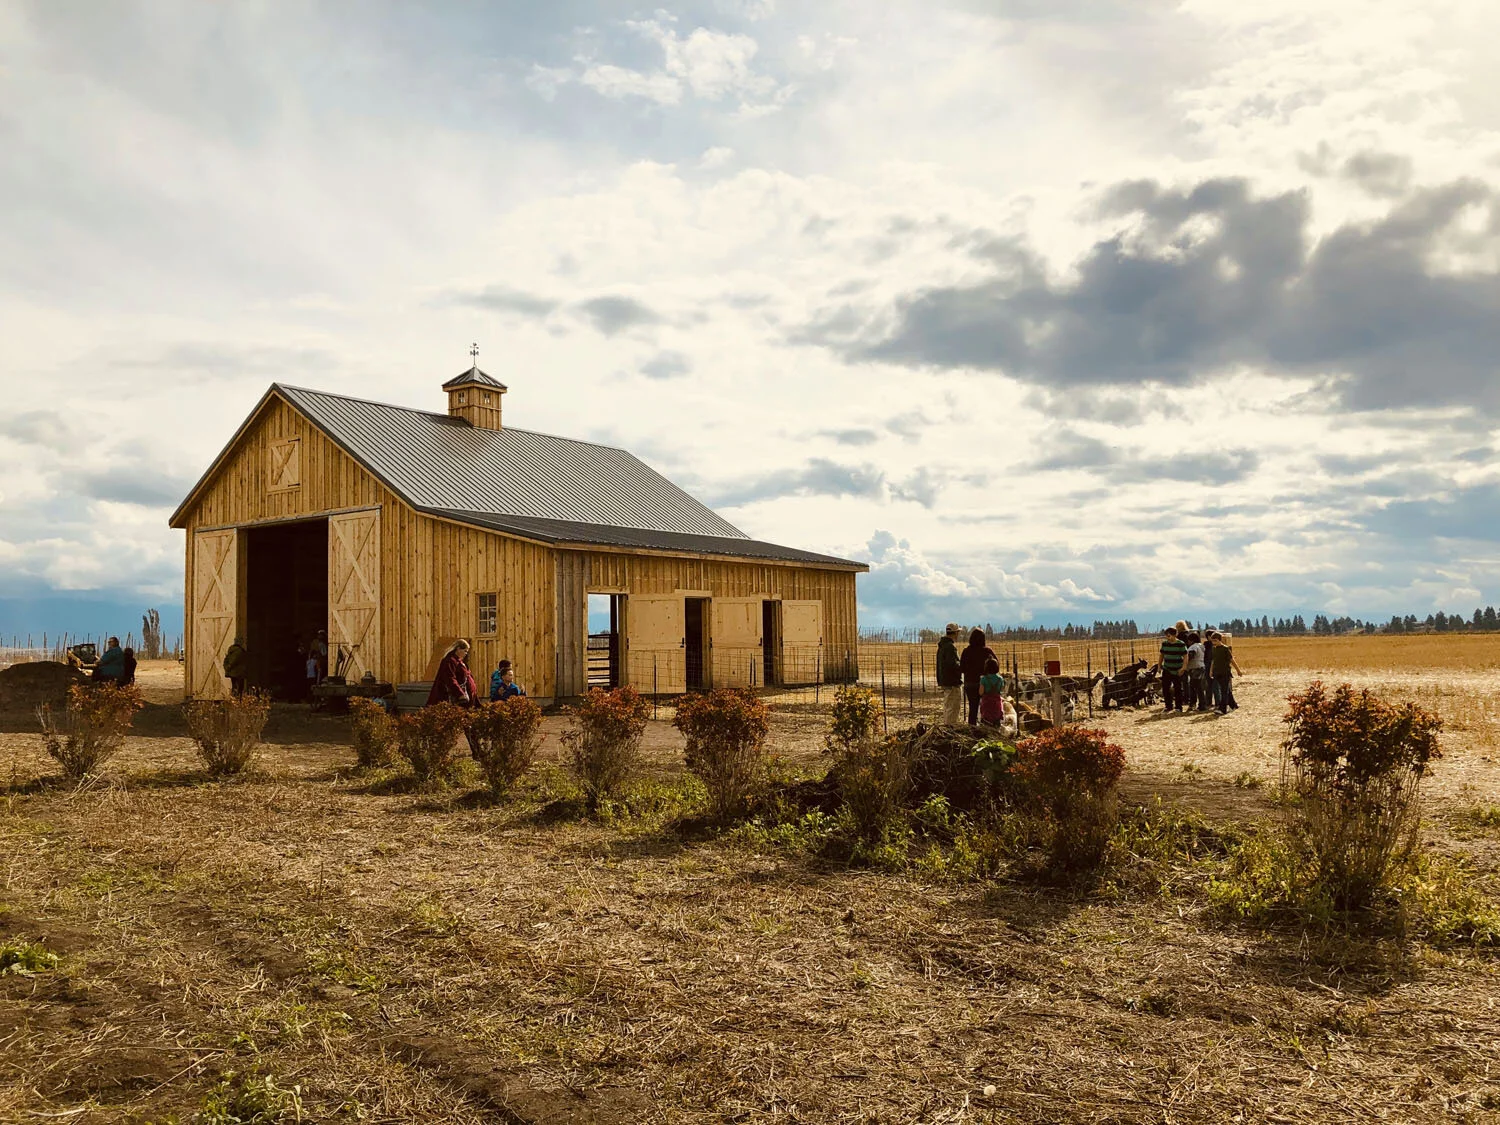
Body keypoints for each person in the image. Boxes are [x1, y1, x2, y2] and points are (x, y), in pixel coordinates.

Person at [958, 628, 998, 726]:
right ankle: (986, 727)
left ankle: (972, 728)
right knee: (986, 707)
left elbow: (961, 668)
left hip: (969, 684)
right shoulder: (987, 651)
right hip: (985, 683)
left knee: (973, 708)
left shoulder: (966, 651)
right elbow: (996, 665)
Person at [428, 639, 480, 708]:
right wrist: (459, 693)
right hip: (454, 699)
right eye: (465, 651)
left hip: (466, 697)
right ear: (458, 649)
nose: (466, 654)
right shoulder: (449, 661)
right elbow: (450, 678)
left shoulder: (460, 662)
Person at [936, 623, 963, 725]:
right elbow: (953, 665)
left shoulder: (941, 646)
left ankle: (947, 727)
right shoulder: (950, 647)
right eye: (958, 632)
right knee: (953, 709)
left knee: (947, 707)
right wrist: (962, 666)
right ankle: (950, 729)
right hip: (952, 683)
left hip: (945, 682)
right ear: (955, 633)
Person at [1209, 631, 1242, 713]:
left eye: (1215, 640)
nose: (1214, 642)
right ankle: (1233, 705)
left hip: (1225, 672)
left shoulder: (1225, 649)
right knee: (1226, 690)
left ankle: (1222, 709)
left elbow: (1232, 660)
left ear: (1220, 640)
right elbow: (1213, 661)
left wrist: (1238, 670)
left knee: (1224, 691)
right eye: (1212, 641)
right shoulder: (1214, 649)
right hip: (1217, 672)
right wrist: (1211, 671)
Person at [1158, 627, 1188, 713]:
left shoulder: (1181, 644)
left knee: (1178, 688)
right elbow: (1161, 655)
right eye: (1166, 636)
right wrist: (1159, 666)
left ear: (1175, 635)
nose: (1168, 637)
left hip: (1177, 669)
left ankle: (1178, 707)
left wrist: (1183, 667)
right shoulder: (1164, 644)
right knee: (1165, 688)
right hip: (1167, 668)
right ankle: (1168, 706)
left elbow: (1185, 656)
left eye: (1169, 635)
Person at [978, 657, 1007, 729]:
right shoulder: (1000, 679)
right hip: (997, 701)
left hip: (986, 702)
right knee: (996, 720)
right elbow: (1001, 689)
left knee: (986, 721)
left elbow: (981, 692)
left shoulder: (983, 679)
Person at [1184, 631, 1207, 712]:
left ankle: (1201, 705)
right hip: (1201, 666)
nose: (1188, 642)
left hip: (1195, 668)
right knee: (1196, 686)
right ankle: (1195, 703)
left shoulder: (1193, 647)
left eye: (1188, 640)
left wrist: (1184, 664)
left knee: (1196, 687)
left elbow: (1190, 656)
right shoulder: (1201, 646)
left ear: (1191, 640)